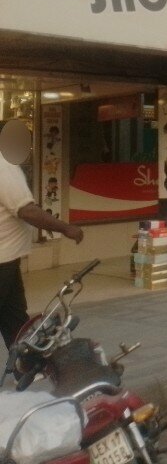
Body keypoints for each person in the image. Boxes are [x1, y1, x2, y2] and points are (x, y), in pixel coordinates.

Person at [1, 122, 84, 351]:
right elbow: (26, 210)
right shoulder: (3, 165)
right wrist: (66, 228)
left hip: (7, 259)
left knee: (14, 318)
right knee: (12, 317)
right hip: (2, 261)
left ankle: (23, 366)